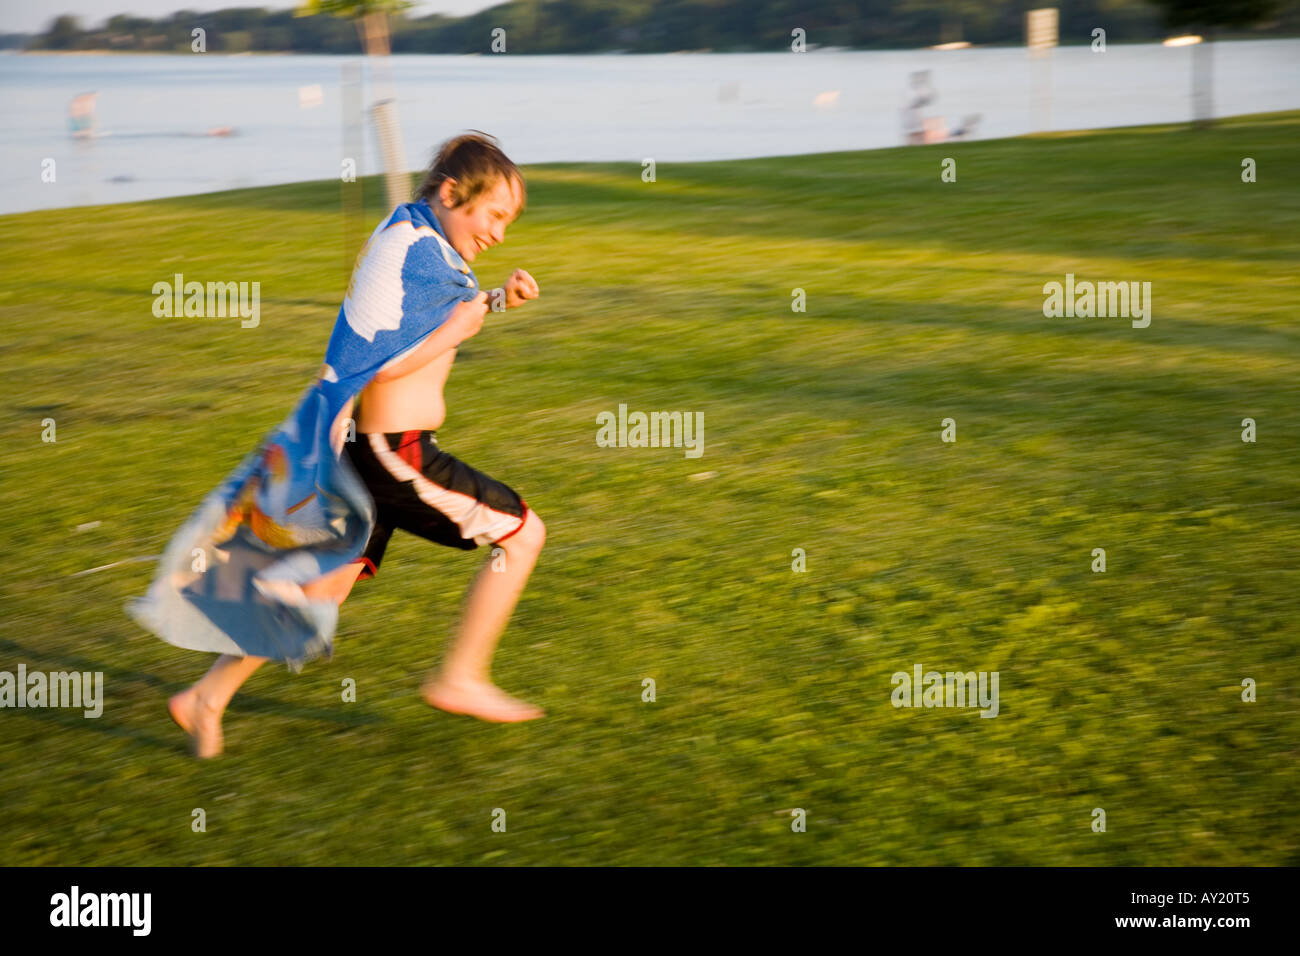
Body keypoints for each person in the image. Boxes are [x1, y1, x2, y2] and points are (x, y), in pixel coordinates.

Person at [166, 133, 546, 758]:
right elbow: (369, 365)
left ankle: (206, 697)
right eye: (495, 215)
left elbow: (426, 317)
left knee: (325, 589)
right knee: (522, 534)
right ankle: (460, 676)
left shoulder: (420, 240)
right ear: (452, 193)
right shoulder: (410, 250)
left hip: (370, 456)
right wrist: (460, 323)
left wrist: (499, 300)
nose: (501, 233)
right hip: (395, 454)